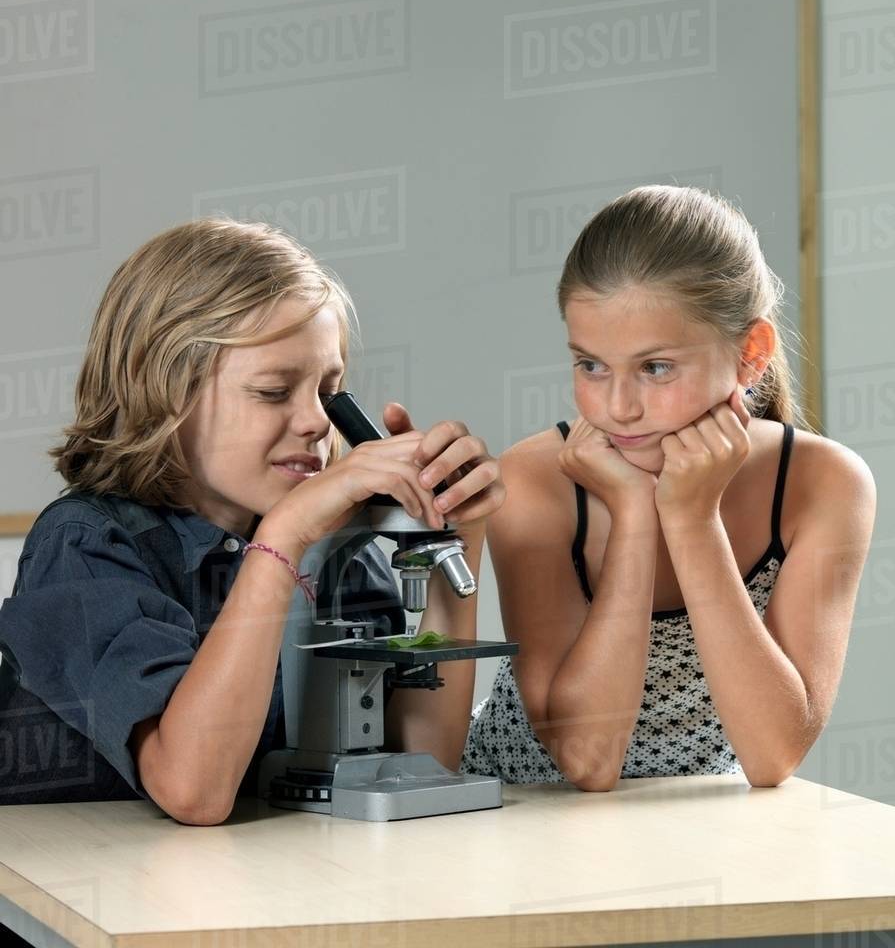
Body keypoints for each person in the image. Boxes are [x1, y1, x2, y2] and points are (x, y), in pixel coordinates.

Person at [0, 218, 504, 823]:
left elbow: (421, 758)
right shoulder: (86, 544)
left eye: (330, 391)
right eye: (273, 391)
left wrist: (454, 536)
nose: (317, 422)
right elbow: (194, 790)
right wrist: (283, 542)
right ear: (162, 391)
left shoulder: (338, 547)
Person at [460, 184, 876, 791]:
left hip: (701, 833)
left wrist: (690, 518)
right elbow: (587, 761)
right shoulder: (535, 481)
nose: (618, 407)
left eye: (655, 368)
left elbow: (772, 754)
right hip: (526, 816)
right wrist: (634, 513)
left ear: (751, 353)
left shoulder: (821, 484)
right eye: (590, 365)